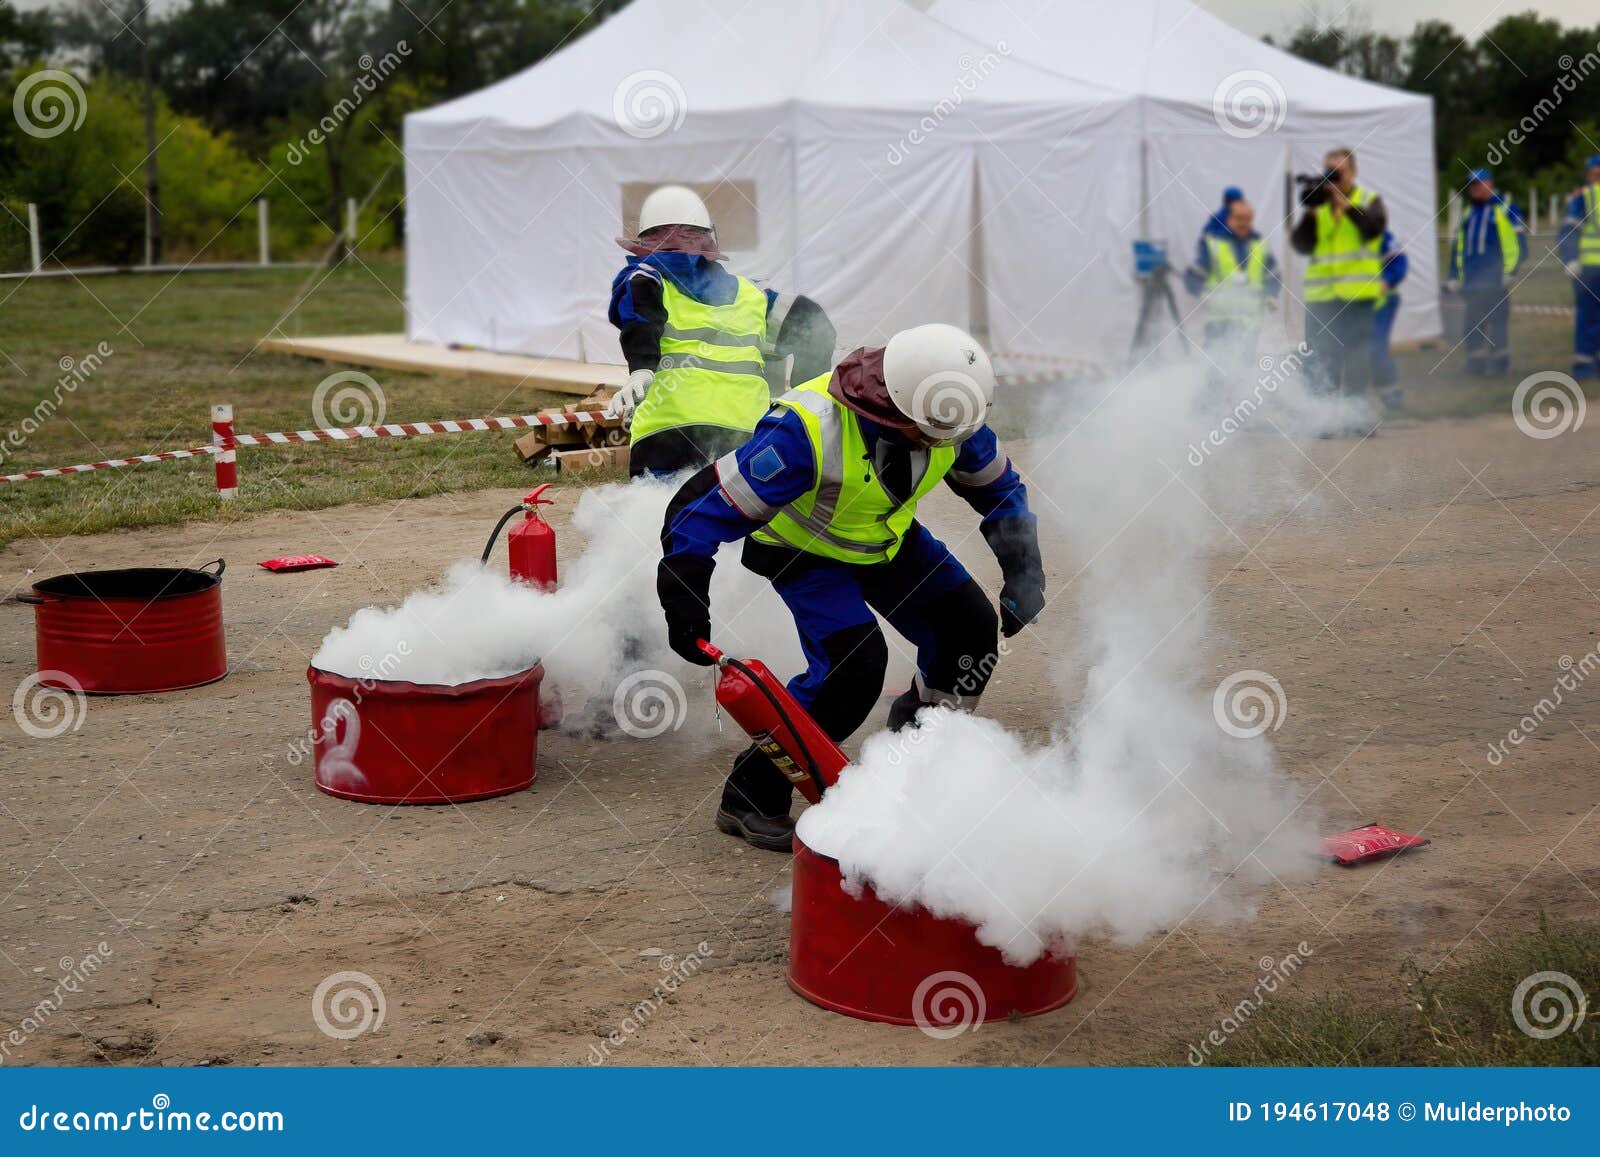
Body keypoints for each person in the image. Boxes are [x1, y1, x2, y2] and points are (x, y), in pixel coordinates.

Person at [656, 324, 1044, 851]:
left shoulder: (951, 416)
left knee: (970, 634)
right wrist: (684, 595)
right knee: (853, 668)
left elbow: (999, 490)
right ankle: (751, 793)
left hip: (884, 541)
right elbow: (700, 510)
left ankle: (919, 752)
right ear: (895, 407)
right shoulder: (806, 431)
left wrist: (1023, 567)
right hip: (801, 551)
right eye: (928, 434)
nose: (943, 445)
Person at [607, 185, 835, 477]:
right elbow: (814, 327)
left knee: (660, 517)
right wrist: (806, 402)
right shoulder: (752, 295)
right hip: (744, 436)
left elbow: (641, 313)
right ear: (709, 239)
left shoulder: (647, 277)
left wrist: (641, 368)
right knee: (735, 519)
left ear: (647, 241)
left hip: (667, 432)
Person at [1290, 147, 1388, 415]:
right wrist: (1310, 212)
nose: (1331, 180)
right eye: (1328, 173)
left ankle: (1353, 414)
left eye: (1338, 173)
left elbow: (1373, 229)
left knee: (1357, 358)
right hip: (1322, 298)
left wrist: (1345, 206)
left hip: (1358, 296)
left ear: (1353, 173)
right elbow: (1300, 245)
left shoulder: (1369, 200)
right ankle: (1323, 417)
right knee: (1321, 359)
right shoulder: (1320, 207)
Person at [1183, 197, 1280, 380]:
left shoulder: (1260, 245)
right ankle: (1210, 406)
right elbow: (1193, 275)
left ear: (1252, 220)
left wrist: (1272, 295)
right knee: (1214, 370)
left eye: (1247, 219)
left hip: (1250, 323)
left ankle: (1239, 404)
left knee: (1242, 373)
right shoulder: (1213, 244)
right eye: (1238, 218)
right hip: (1220, 321)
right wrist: (1201, 292)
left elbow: (1273, 275)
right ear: (1229, 219)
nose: (1243, 223)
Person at [1445, 169, 1526, 377]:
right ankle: (1476, 365)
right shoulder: (1468, 214)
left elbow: (1519, 244)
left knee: (1498, 323)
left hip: (1495, 280)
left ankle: (1500, 364)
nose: (1473, 189)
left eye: (1478, 184)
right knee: (1471, 325)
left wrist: (1511, 271)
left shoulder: (1506, 208)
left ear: (1490, 183)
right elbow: (1459, 249)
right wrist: (1454, 275)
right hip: (1471, 283)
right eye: (1471, 185)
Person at [1557, 154, 1600, 380]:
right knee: (1587, 316)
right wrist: (1570, 259)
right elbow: (1568, 231)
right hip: (1587, 270)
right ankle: (1584, 365)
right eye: (1594, 171)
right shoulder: (1583, 198)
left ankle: (1592, 362)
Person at [1371, 231, 1409, 414]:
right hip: (1354, 305)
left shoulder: (1382, 235)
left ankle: (1393, 400)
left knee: (1376, 350)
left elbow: (1399, 262)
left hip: (1382, 303)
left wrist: (1386, 281)